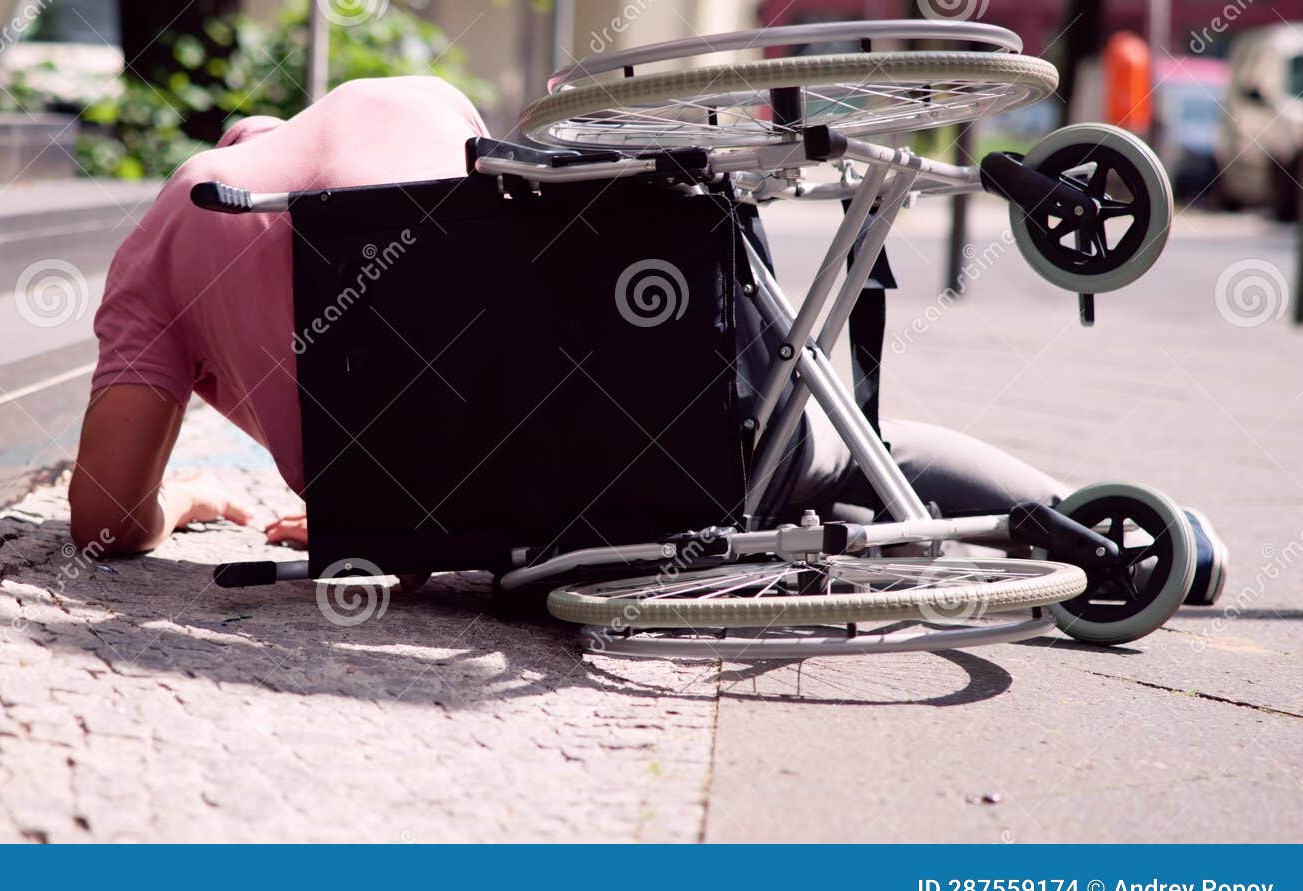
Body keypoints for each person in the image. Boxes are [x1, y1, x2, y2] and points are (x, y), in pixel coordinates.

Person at [70, 76, 1225, 605]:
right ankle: (1100, 527)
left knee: (792, 474)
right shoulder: (403, 99)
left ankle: (1067, 530)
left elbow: (104, 518)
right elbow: (477, 261)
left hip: (481, 516)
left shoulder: (173, 226)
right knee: (822, 449)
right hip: (615, 390)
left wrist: (215, 499)